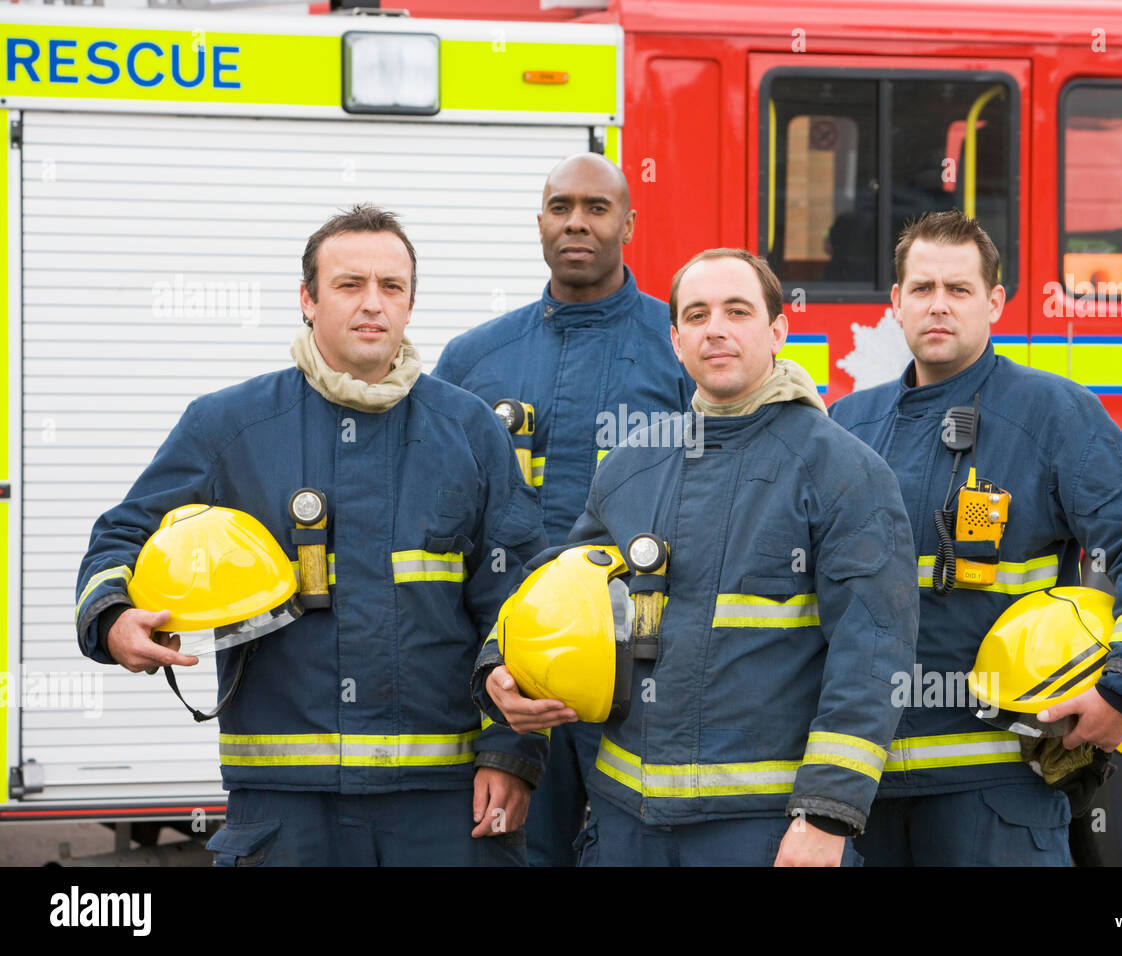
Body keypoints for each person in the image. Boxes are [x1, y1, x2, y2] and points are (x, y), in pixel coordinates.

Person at [74, 204, 547, 866]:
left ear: (411, 304)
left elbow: (523, 601)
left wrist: (512, 755)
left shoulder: (469, 432)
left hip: (444, 803)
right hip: (284, 809)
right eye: (350, 285)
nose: (372, 304)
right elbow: (121, 537)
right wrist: (115, 617)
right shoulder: (227, 427)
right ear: (307, 298)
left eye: (392, 287)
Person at [475, 248, 918, 866]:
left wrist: (826, 815)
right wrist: (499, 664)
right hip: (627, 829)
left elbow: (872, 657)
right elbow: (559, 590)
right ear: (676, 341)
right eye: (698, 314)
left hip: (762, 832)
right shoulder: (631, 466)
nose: (717, 328)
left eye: (737, 311)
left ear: (777, 330)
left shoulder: (844, 472)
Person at [829, 209, 1122, 865]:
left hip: (996, 792)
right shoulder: (847, 424)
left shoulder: (1052, 413)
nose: (938, 306)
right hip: (862, 787)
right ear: (895, 302)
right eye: (922, 289)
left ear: (995, 301)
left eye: (959, 289)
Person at [434, 153, 693, 866]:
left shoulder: (679, 352)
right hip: (512, 683)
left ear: (630, 225)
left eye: (597, 207)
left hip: (644, 686)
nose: (576, 222)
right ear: (540, 220)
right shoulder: (473, 360)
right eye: (560, 206)